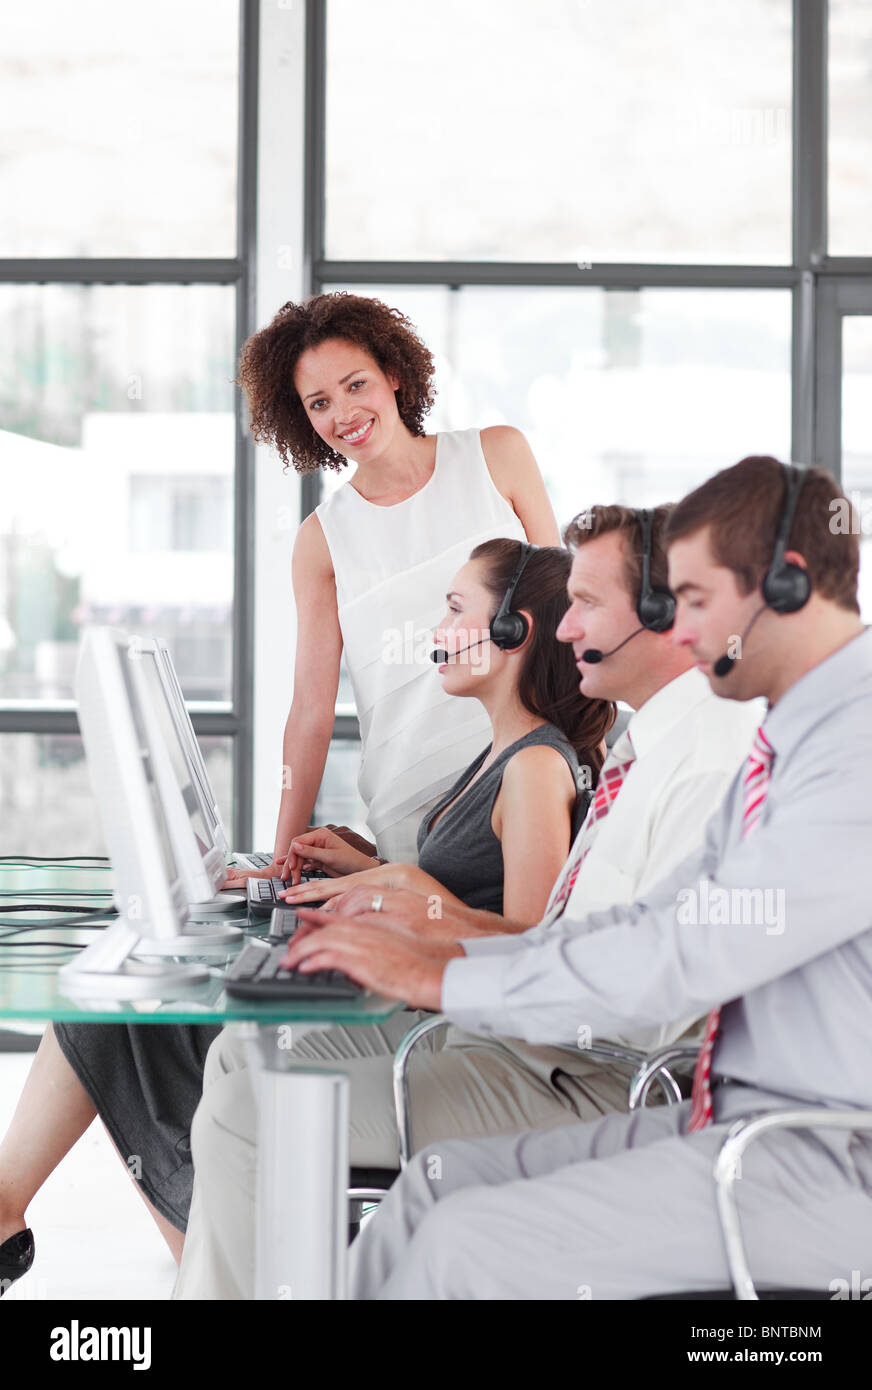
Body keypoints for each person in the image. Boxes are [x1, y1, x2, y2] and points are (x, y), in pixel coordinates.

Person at [280, 457, 872, 1300]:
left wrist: (440, 975)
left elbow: (686, 952)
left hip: (827, 1163)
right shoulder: (788, 742)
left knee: (466, 1245)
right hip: (735, 1124)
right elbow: (646, 923)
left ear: (787, 583)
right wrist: (451, 963)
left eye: (694, 603)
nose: (684, 631)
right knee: (430, 1188)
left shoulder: (853, 754)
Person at [172, 505, 760, 1300]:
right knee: (244, 1055)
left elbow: (636, 990)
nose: (561, 627)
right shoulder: (645, 746)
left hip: (582, 1074)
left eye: (585, 603)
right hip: (539, 1045)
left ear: (659, 614)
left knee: (250, 1106)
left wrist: (438, 953)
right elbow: (568, 937)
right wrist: (423, 931)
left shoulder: (700, 763)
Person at [0, 540, 612, 1296]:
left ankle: (186, 1240)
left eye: (455, 610)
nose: (436, 630)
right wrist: (368, 866)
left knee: (127, 1005)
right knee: (127, 1000)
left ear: (515, 632)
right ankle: (152, 1232)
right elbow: (462, 888)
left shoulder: (534, 768)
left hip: (432, 1025)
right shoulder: (500, 755)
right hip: (407, 997)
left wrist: (411, 888)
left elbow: (530, 943)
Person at [224, 291, 561, 877]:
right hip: (412, 806)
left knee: (522, 939)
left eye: (357, 385)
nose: (344, 414)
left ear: (395, 373)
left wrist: (594, 752)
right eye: (319, 402)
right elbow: (310, 707)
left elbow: (565, 617)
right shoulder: (322, 540)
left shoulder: (498, 456)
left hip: (528, 772)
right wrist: (281, 861)